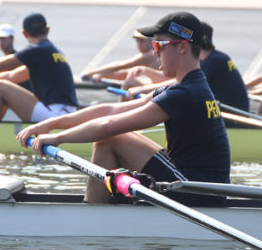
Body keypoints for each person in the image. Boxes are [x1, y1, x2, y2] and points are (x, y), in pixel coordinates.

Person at [17, 11, 230, 205]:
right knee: (112, 139)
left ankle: (93, 216)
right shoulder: (186, 86)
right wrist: (50, 124)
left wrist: (57, 138)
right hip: (196, 183)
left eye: (159, 46)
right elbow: (109, 111)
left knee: (112, 138)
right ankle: (98, 209)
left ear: (182, 46)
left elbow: (108, 126)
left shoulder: (185, 94)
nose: (155, 55)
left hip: (198, 191)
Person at [80, 30, 161, 84]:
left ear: (152, 41)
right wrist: (102, 75)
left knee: (129, 84)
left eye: (142, 40)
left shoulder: (149, 55)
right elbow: (126, 74)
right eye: (137, 41)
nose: (138, 44)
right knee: (131, 80)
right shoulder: (154, 53)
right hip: (158, 88)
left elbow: (119, 66)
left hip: (159, 90)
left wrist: (90, 73)